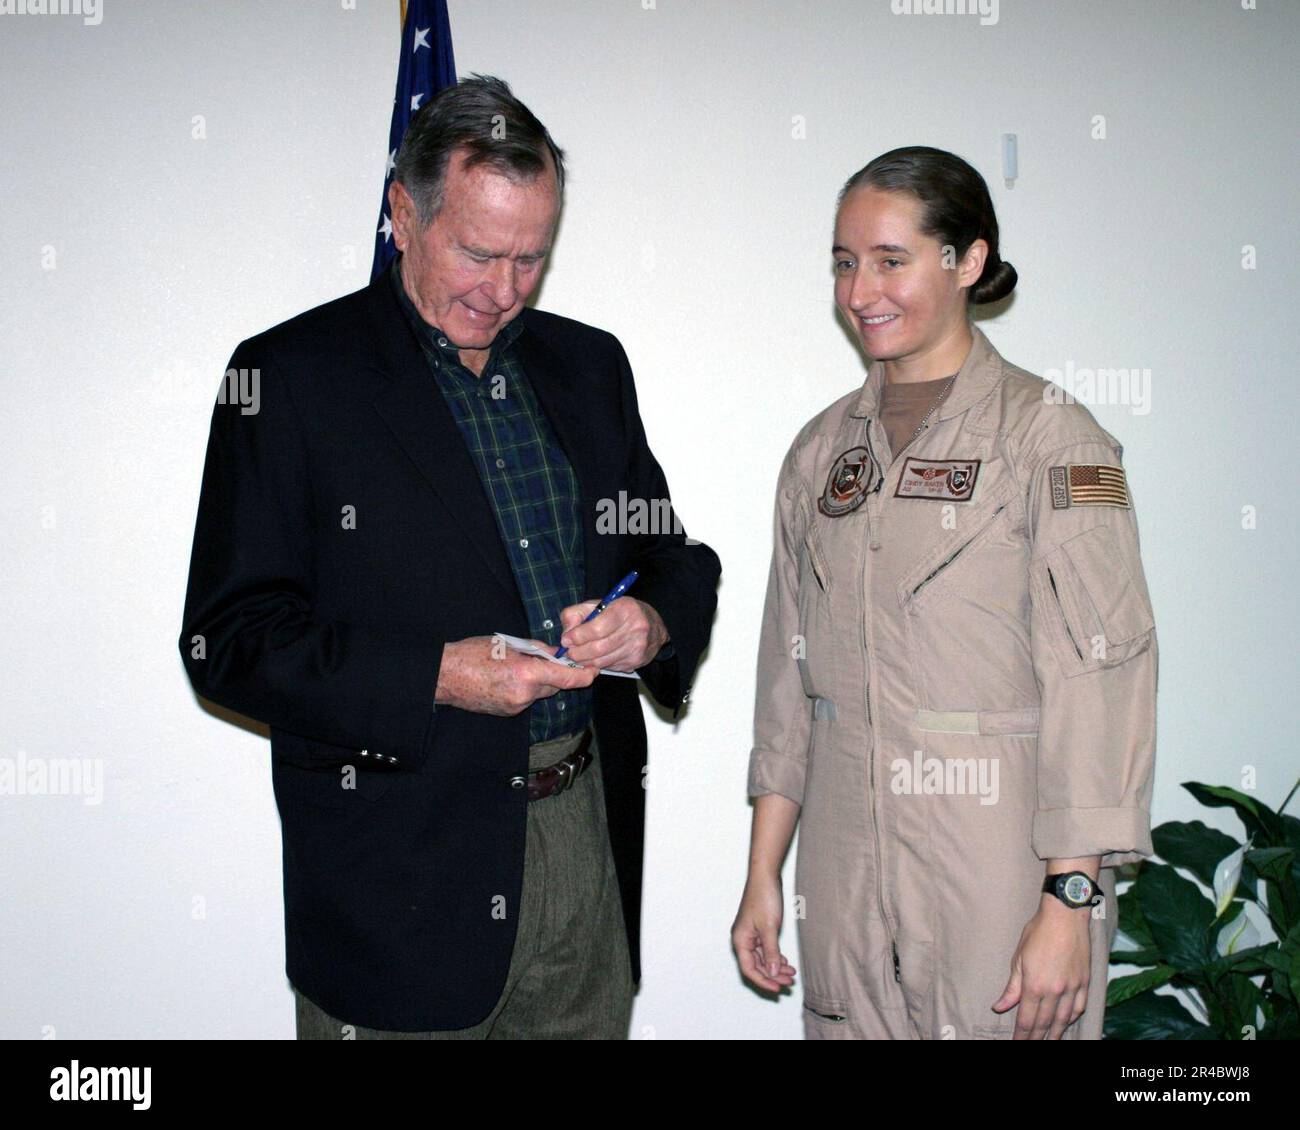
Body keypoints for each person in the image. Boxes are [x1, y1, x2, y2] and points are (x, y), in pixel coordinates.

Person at [178, 75, 720, 1039]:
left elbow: (671, 552)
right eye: (479, 252)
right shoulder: (284, 378)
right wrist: (437, 678)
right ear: (402, 212)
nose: (505, 291)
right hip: (399, 886)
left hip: (584, 845)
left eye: (532, 259)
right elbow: (227, 642)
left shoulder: (590, 365)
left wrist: (654, 620)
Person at [732, 146, 1157, 1040]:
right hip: (845, 870)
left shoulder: (1051, 440)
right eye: (846, 262)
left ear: (967, 260)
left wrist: (1069, 899)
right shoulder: (819, 455)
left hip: (999, 867)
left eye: (892, 260)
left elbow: (1099, 681)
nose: (861, 291)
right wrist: (764, 874)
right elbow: (787, 683)